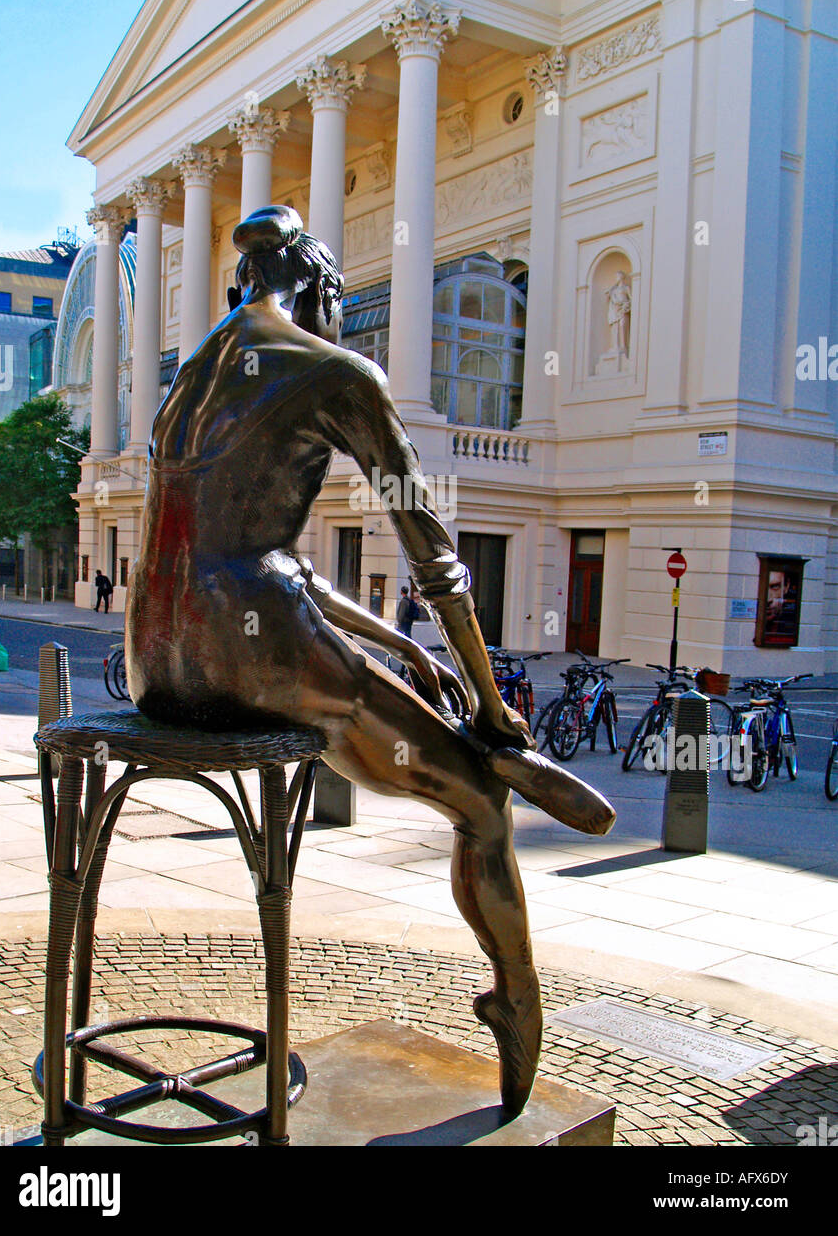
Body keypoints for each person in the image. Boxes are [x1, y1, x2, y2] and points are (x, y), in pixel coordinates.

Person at [125, 206, 615, 1115]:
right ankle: (515, 1001)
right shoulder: (336, 370)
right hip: (251, 659)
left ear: (246, 287)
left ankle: (451, 739)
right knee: (479, 802)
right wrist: (486, 694)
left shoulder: (190, 377)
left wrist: (392, 644)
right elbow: (432, 553)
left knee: (376, 686)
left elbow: (263, 551)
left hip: (159, 659)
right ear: (321, 288)